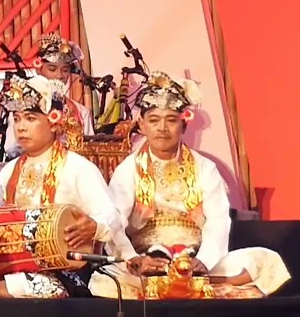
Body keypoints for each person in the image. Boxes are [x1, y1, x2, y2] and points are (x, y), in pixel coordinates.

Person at [95, 71, 289, 298]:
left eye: (171, 120)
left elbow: (218, 220)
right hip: (149, 264)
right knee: (104, 281)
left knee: (267, 261)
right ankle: (208, 288)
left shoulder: (204, 167)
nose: (162, 128)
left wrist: (204, 260)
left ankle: (186, 284)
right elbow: (115, 221)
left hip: (195, 261)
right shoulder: (128, 169)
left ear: (183, 125)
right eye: (154, 120)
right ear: (142, 124)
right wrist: (134, 259)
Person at [0, 74, 122, 298]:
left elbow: (112, 215)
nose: (21, 127)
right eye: (17, 119)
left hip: (64, 269)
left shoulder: (78, 168)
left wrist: (94, 227)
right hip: (13, 264)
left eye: (31, 118)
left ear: (53, 123)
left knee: (20, 289)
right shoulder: (9, 170)